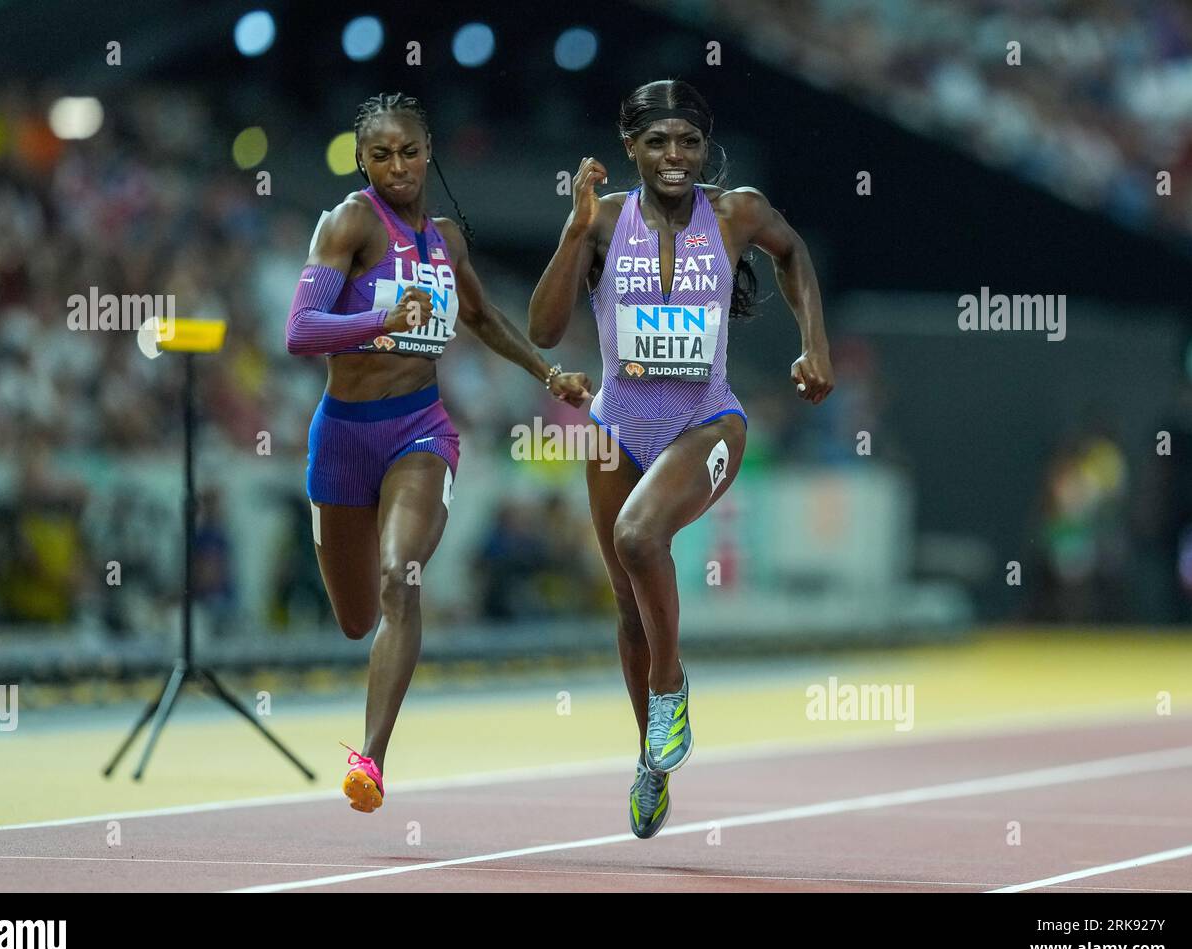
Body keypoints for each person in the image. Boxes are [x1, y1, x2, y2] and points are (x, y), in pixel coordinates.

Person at [529, 80, 834, 838]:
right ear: (630, 147)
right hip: (615, 429)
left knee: (639, 537)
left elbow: (793, 255)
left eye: (689, 142)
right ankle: (650, 761)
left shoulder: (737, 213)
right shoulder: (601, 221)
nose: (675, 156)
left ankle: (671, 688)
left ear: (706, 149)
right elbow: (541, 330)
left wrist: (814, 343)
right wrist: (573, 232)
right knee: (628, 607)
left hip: (707, 421)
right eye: (658, 142)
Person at [286, 92, 591, 812]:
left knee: (401, 577)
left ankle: (371, 759)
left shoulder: (447, 242)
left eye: (410, 151)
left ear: (430, 154)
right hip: (342, 438)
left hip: (419, 430)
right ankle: (369, 700)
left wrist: (550, 374)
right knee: (357, 617)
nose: (398, 165)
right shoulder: (350, 223)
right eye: (381, 154)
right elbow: (300, 330)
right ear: (363, 161)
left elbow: (483, 318)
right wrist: (377, 318)